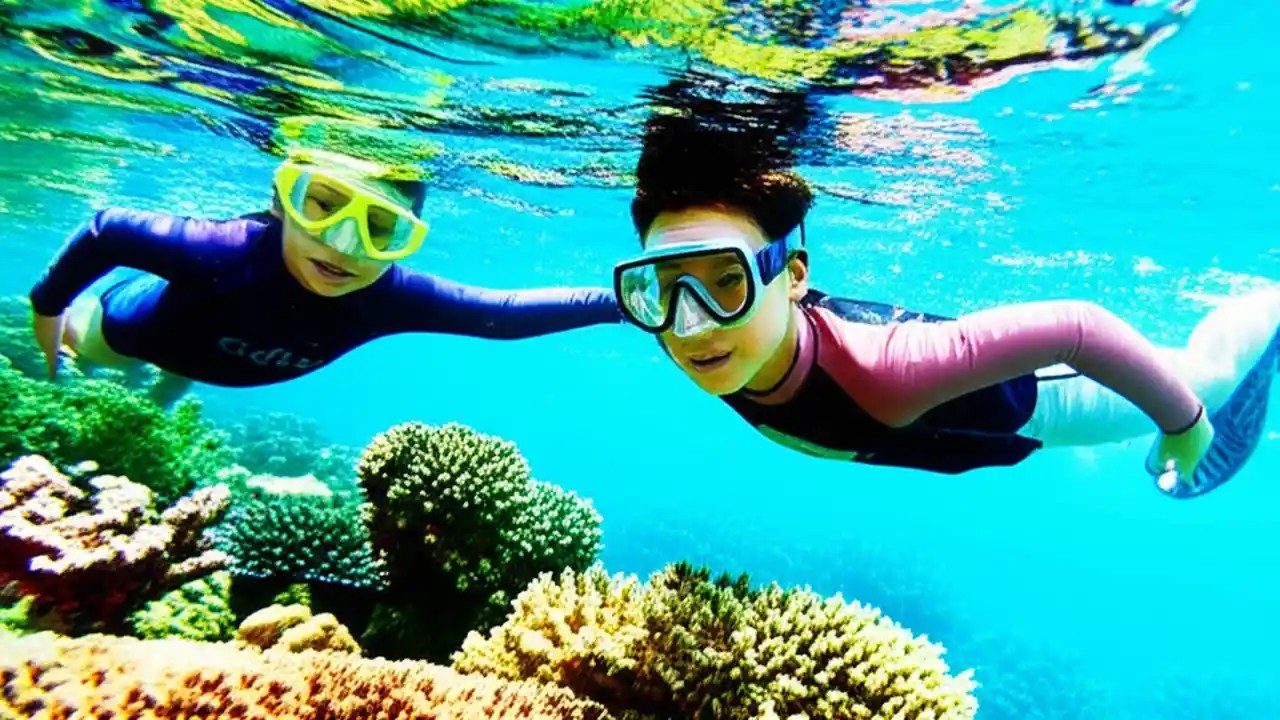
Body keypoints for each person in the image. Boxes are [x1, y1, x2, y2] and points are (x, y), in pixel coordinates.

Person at [611, 77, 1279, 499]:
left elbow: (1078, 329)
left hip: (1052, 401)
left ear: (792, 276)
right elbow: (503, 315)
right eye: (660, 291)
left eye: (726, 281)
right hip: (962, 433)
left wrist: (1186, 426)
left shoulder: (888, 373)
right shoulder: (673, 318)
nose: (689, 323)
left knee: (1212, 374)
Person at [29, 148, 622, 405]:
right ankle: (162, 374)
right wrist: (49, 308)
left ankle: (176, 382)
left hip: (211, 347)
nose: (344, 246)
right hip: (133, 330)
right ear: (281, 203)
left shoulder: (391, 296)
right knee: (93, 353)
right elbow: (108, 230)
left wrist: (629, 300)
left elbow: (505, 314)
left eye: (381, 229)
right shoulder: (223, 251)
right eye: (322, 206)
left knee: (187, 361)